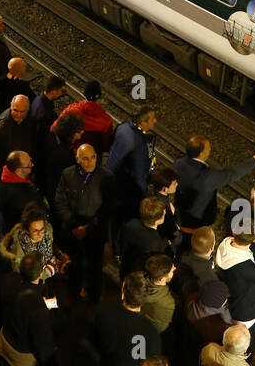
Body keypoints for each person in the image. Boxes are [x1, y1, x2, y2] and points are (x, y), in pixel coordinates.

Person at [54, 142, 114, 303]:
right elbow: (60, 201)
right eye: (85, 158)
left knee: (95, 268)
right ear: (78, 159)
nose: (90, 162)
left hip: (94, 232)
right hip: (72, 230)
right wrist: (73, 225)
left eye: (93, 157)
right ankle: (73, 294)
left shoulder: (106, 178)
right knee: (74, 265)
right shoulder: (68, 175)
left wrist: (87, 228)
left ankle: (93, 301)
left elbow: (107, 208)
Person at [173, 134, 255, 231]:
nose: (210, 150)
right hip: (196, 224)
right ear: (201, 153)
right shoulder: (207, 178)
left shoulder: (179, 163)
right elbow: (233, 173)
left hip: (180, 214)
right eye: (208, 148)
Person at [105, 105, 156, 226]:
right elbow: (140, 173)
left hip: (113, 179)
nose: (155, 121)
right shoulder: (139, 143)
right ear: (143, 122)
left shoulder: (122, 127)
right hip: (128, 191)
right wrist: (144, 195)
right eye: (152, 118)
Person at [53, 79, 115, 155]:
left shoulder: (71, 110)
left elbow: (54, 129)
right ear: (99, 97)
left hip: (70, 155)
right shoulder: (106, 120)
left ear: (84, 94)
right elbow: (106, 145)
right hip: (92, 159)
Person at [118, 195, 171, 276]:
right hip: (139, 276)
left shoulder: (129, 224)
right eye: (164, 213)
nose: (165, 213)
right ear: (157, 220)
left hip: (126, 267)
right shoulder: (158, 244)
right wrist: (167, 245)